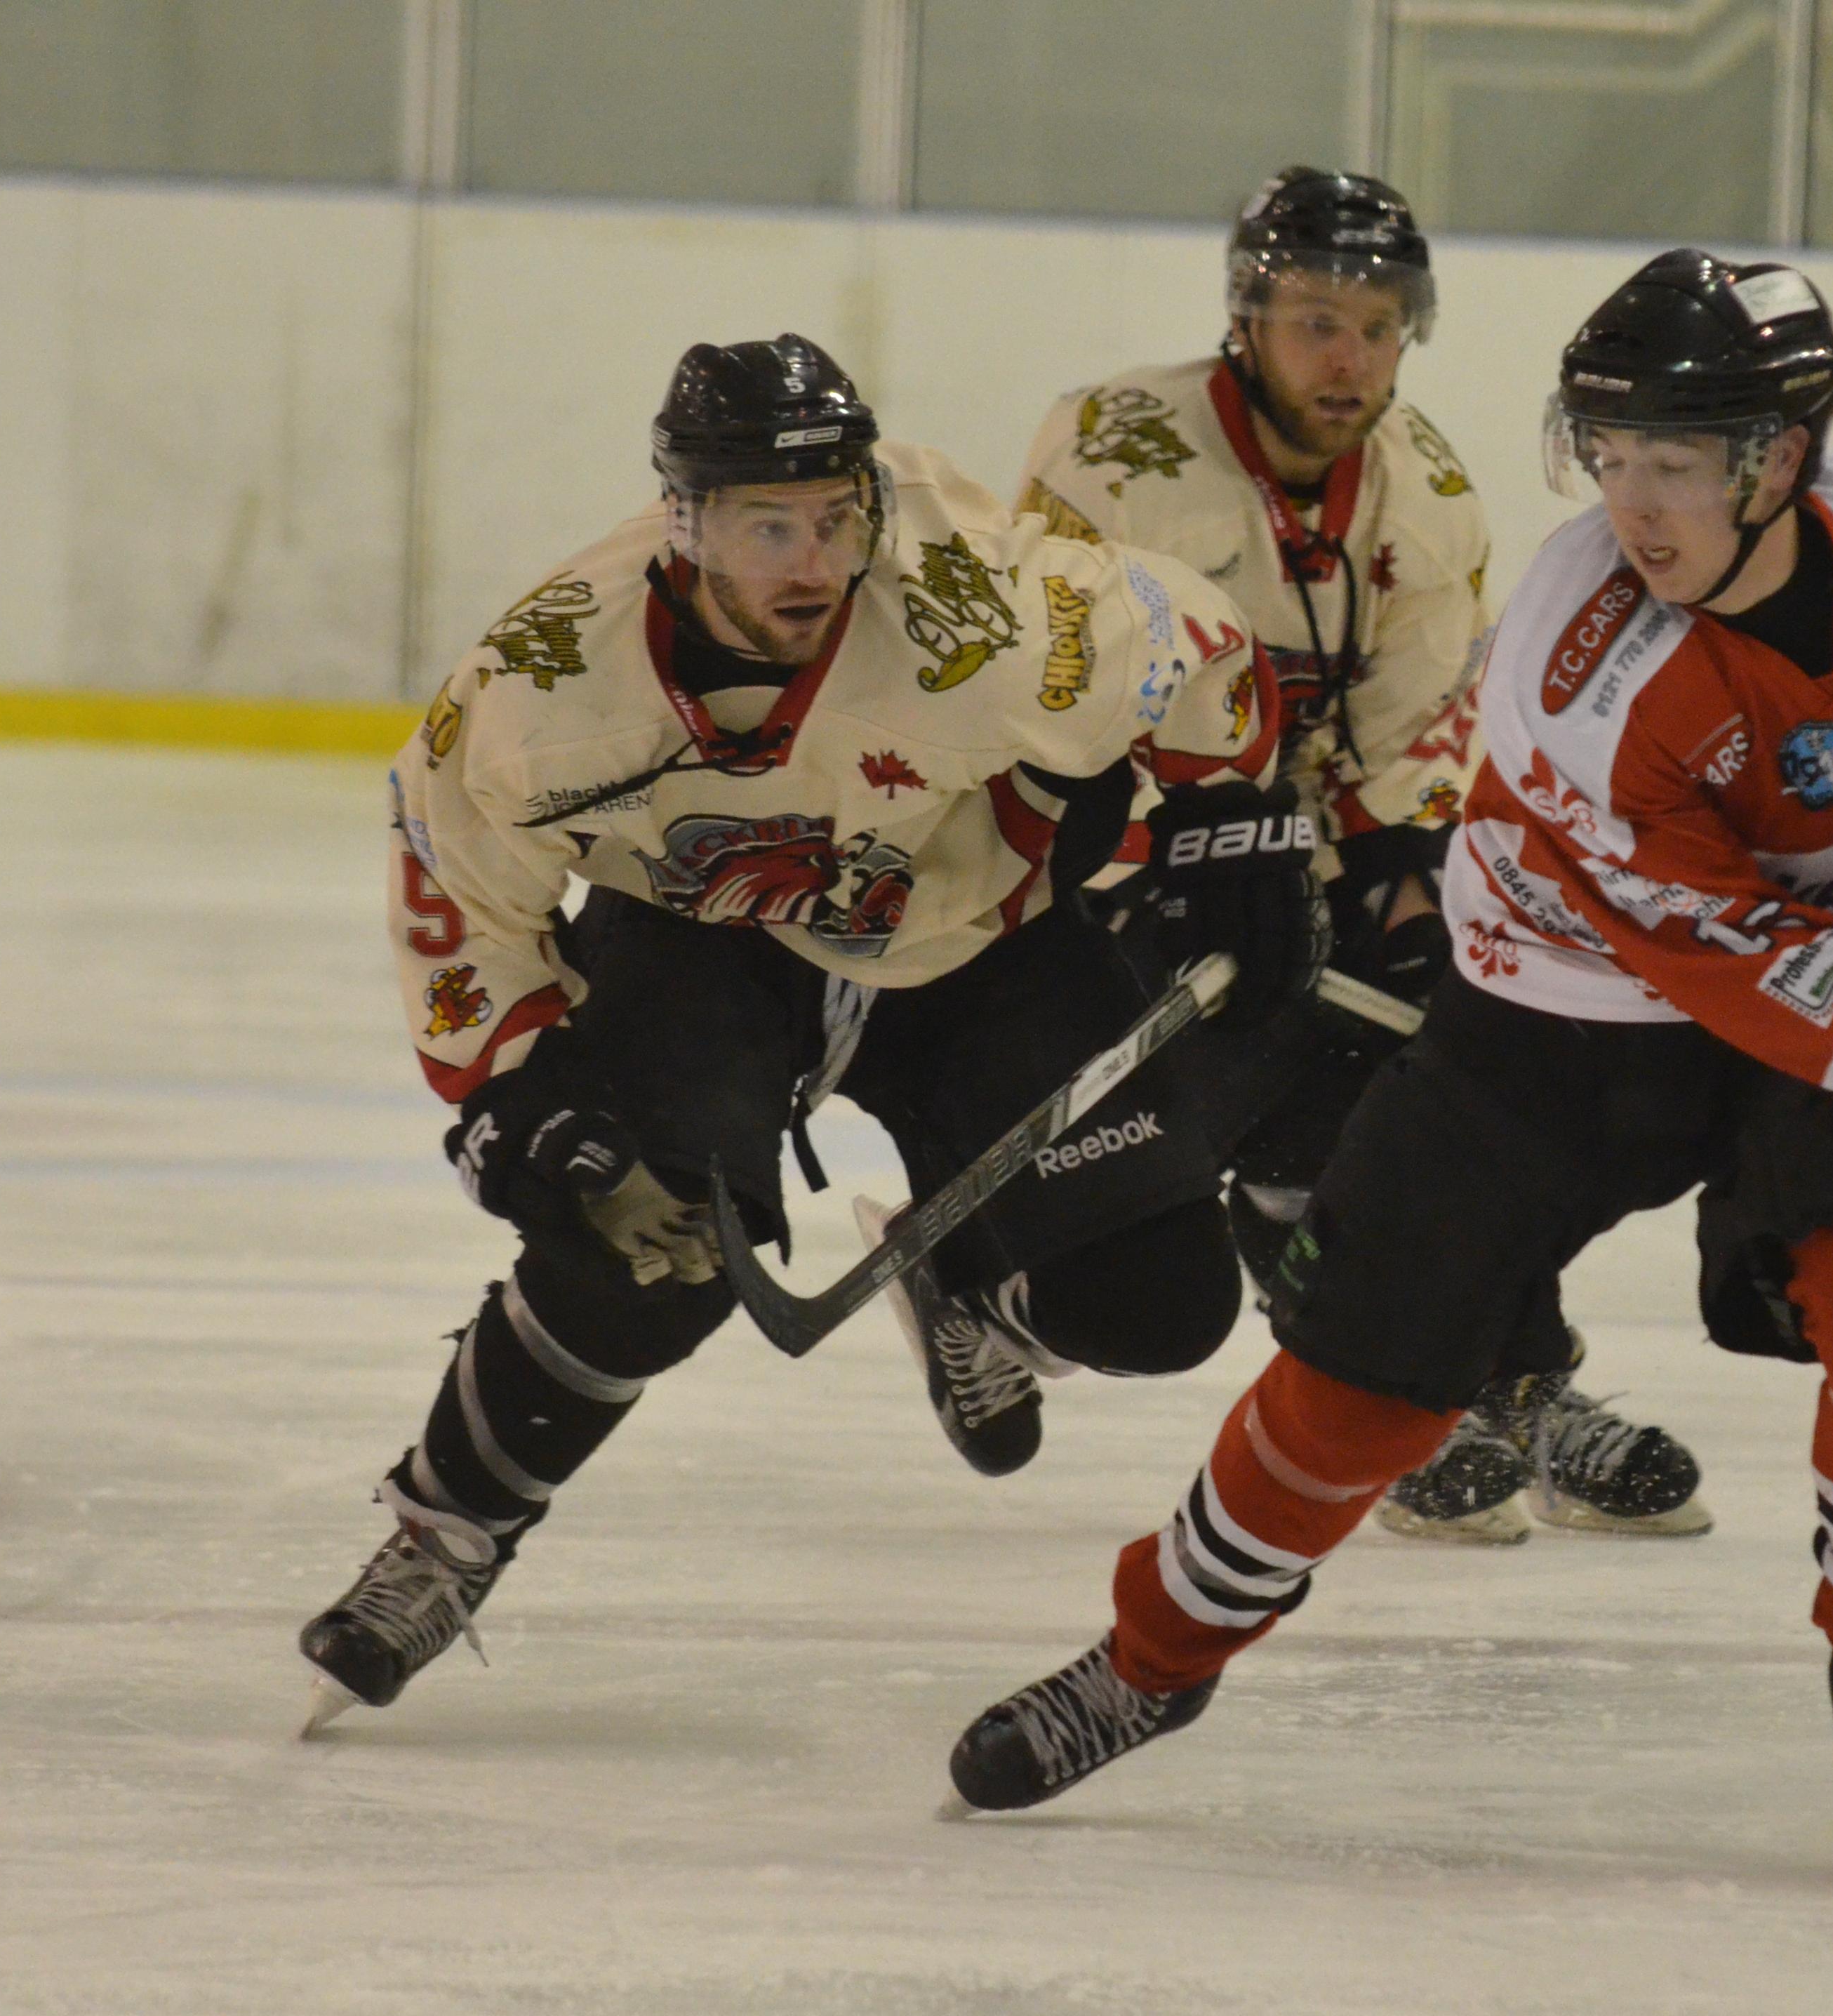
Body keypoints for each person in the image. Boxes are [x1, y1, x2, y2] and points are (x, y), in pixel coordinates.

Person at [940, 251, 1833, 1878]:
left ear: (1781, 457)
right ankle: (1150, 1663)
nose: (1630, 504)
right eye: (1605, 455)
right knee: (1360, 1386)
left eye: (1673, 463)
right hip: (1562, 1012)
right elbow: (1722, 954)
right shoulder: (1583, 659)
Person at [298, 334, 1319, 1730]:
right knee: (637, 1247)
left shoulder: (978, 610)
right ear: (684, 522)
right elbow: (452, 876)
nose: (811, 563)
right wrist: (515, 1095)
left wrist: (1229, 814)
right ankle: (446, 1534)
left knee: (1158, 1309)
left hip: (975, 936)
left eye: (836, 519)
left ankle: (966, 1286)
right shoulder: (547, 682)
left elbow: (1193, 638)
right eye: (766, 526)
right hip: (714, 948)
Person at [1012, 166, 1710, 1543]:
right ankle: (1367, 1397)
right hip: (1120, 863)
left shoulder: (1426, 492)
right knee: (1281, 1096)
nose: (1351, 359)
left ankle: (1513, 1384)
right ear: (1247, 318)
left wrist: (1391, 886)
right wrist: (1191, 846)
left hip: (1303, 861)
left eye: (1381, 327)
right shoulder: (1116, 453)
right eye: (1318, 322)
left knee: (1458, 1066)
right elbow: (1040, 697)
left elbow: (1409, 747)